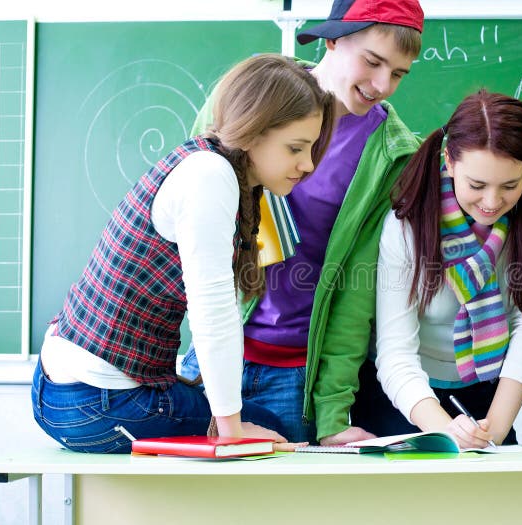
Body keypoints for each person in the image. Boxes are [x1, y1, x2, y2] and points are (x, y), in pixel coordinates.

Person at [31, 54, 335, 453]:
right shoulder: (210, 176)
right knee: (270, 426)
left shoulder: (204, 161)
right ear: (253, 130)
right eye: (295, 148)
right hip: (95, 401)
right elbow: (213, 312)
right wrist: (232, 434)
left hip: (61, 388)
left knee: (255, 423)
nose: (308, 164)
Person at [181, 0, 425, 444]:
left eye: (398, 74)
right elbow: (191, 230)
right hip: (213, 355)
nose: (382, 85)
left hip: (295, 377)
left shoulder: (391, 154)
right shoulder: (249, 92)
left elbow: (355, 296)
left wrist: (333, 415)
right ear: (332, 40)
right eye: (372, 62)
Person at [349, 90, 522, 449]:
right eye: (477, 185)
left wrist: (494, 431)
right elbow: (396, 353)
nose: (492, 202)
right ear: (449, 160)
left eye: (510, 185)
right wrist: (447, 432)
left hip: (487, 387)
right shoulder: (408, 220)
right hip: (401, 394)